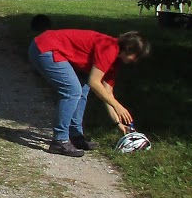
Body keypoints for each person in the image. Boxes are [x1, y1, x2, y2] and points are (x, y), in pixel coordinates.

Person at [28, 26, 149, 156]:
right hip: (45, 46)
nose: (135, 61)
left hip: (54, 48)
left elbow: (107, 93)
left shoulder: (115, 61)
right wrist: (117, 105)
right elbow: (94, 82)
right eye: (135, 56)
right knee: (72, 91)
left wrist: (118, 123)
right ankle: (59, 141)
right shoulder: (109, 49)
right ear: (128, 49)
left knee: (82, 90)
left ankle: (76, 136)